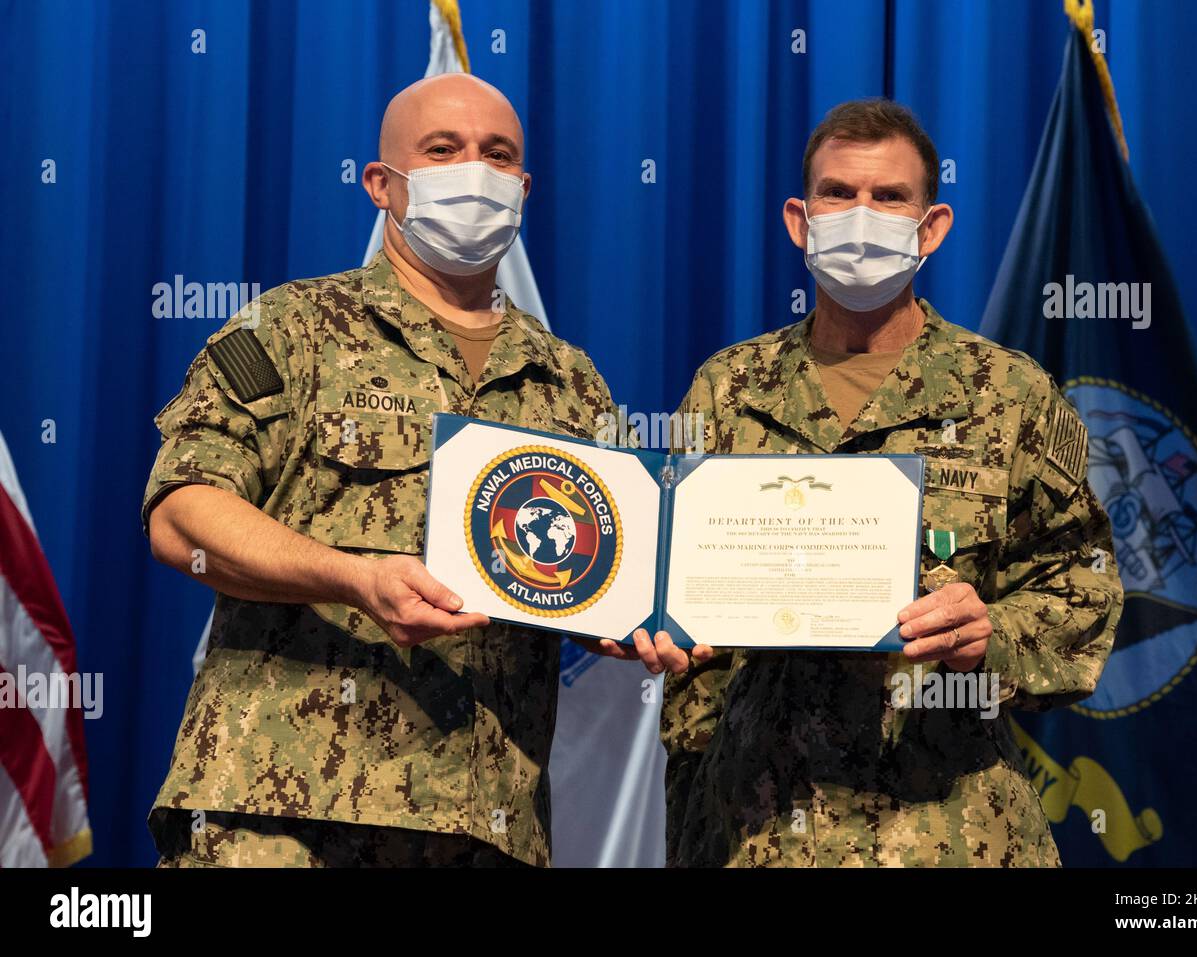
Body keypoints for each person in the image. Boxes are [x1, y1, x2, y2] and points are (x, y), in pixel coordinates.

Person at [621, 98, 1123, 866]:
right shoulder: (729, 388)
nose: (862, 216)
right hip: (759, 829)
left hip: (953, 833)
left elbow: (1082, 589)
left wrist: (990, 633)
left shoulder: (1007, 393)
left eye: (889, 198)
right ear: (799, 219)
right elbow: (668, 596)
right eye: (838, 193)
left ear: (931, 227)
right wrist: (657, 634)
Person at [142, 74, 617, 867]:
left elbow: (601, 574)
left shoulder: (569, 380)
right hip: (281, 814)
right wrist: (353, 578)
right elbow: (181, 515)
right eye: (444, 150)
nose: (475, 173)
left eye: (498, 156)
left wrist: (637, 622)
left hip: (487, 825)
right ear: (381, 183)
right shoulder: (292, 328)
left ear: (524, 187)